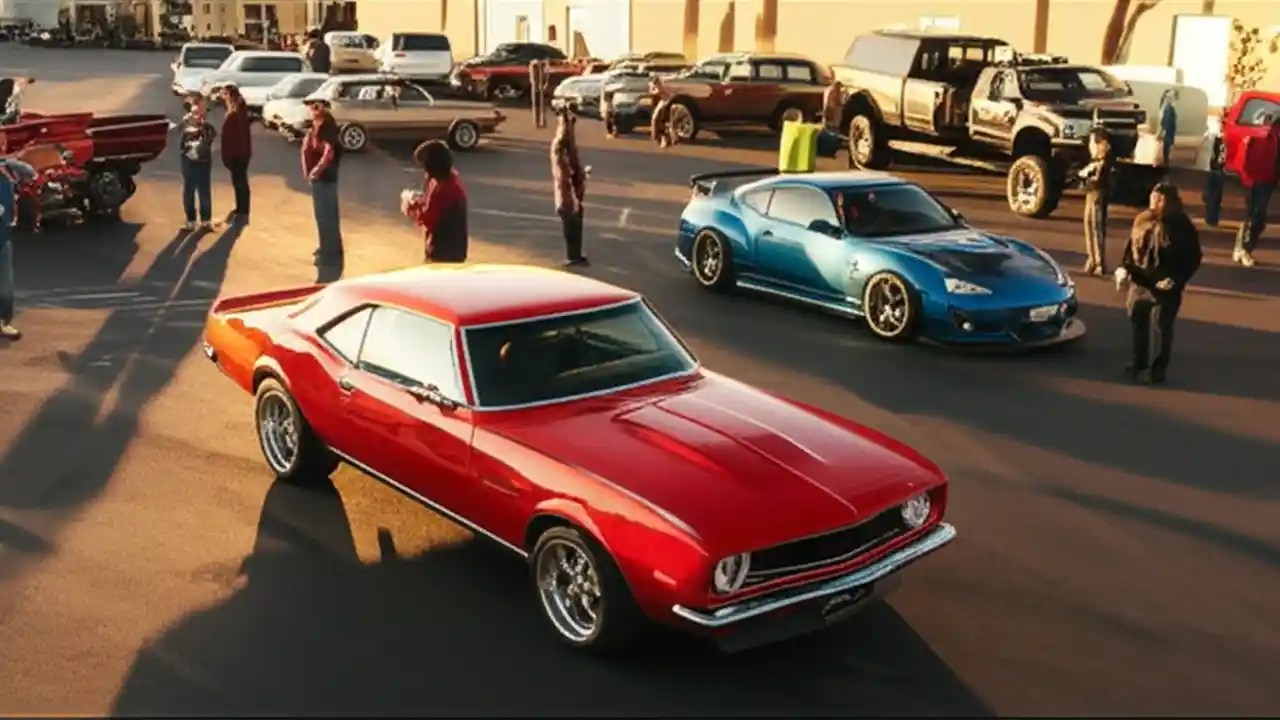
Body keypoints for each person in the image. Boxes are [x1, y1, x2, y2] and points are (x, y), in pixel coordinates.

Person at [1115, 183, 1202, 385]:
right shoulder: (1142, 220)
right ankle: (1139, 362)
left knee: (1160, 328)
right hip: (1140, 282)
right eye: (1153, 198)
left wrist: (1177, 279)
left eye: (1160, 199)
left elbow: (1193, 258)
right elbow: (1130, 248)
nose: (1155, 203)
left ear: (1171, 202)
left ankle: (1156, 370)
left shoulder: (1182, 227)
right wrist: (1123, 267)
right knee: (1138, 322)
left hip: (1165, 287)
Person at [404, 140, 469, 263]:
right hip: (454, 249)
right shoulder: (448, 180)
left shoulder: (443, 188)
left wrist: (411, 207)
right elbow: (433, 206)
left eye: (424, 165)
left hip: (443, 252)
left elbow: (428, 218)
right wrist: (419, 201)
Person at [301, 97, 343, 281]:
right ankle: (327, 248)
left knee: (326, 216)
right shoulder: (317, 124)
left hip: (324, 178)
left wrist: (317, 170)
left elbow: (329, 151)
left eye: (317, 106)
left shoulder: (325, 125)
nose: (313, 110)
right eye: (311, 106)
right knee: (323, 215)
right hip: (320, 178)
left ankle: (330, 254)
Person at [1234, 114, 1279, 268]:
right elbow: (1243, 157)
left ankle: (1242, 247)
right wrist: (1246, 176)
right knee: (1256, 214)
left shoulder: (1275, 135)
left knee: (1256, 215)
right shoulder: (1256, 134)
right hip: (1255, 179)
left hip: (1268, 179)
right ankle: (1245, 248)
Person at [551, 106, 588, 267]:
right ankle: (573, 256)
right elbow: (564, 177)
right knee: (572, 224)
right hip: (567, 197)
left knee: (576, 224)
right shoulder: (560, 150)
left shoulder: (564, 148)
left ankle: (576, 255)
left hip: (571, 194)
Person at [1077, 127, 1113, 275]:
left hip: (1098, 195)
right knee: (1088, 225)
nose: (1090, 147)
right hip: (1091, 195)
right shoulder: (1095, 163)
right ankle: (1091, 258)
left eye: (1093, 143)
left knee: (1097, 227)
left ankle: (1099, 261)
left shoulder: (1104, 163)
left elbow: (1098, 180)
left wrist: (1087, 176)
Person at [178, 93, 216, 230]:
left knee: (195, 190)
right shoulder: (193, 123)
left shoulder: (202, 125)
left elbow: (210, 137)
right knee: (197, 190)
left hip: (195, 160)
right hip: (198, 160)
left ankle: (196, 221)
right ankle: (199, 221)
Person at [219, 84, 252, 224]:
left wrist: (227, 156)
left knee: (239, 182)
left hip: (237, 154)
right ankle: (241, 208)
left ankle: (242, 210)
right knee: (241, 181)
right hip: (242, 153)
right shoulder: (239, 111)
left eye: (224, 95)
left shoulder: (234, 113)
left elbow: (230, 137)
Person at [0, 160, 21, 340]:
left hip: (2, 239)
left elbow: (29, 171)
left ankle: (3, 323)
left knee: (6, 289)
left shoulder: (5, 179)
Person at [1202, 130, 1225, 227]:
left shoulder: (1213, 137)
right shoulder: (1213, 137)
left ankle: (1211, 218)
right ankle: (1212, 218)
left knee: (1212, 195)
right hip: (1216, 169)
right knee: (1213, 195)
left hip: (1215, 169)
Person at [649, 76, 673, 148]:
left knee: (657, 120)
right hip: (664, 102)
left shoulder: (660, 87)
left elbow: (656, 92)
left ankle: (661, 137)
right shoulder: (661, 86)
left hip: (665, 102)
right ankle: (660, 137)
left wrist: (651, 88)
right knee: (657, 120)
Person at [1157, 88, 1178, 167]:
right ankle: (1165, 160)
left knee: (1167, 145)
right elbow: (1166, 120)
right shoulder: (1167, 108)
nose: (1171, 98)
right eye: (1169, 96)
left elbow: (1169, 120)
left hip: (1169, 130)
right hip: (1168, 129)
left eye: (1172, 96)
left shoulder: (1169, 107)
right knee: (1166, 145)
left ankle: (1166, 160)